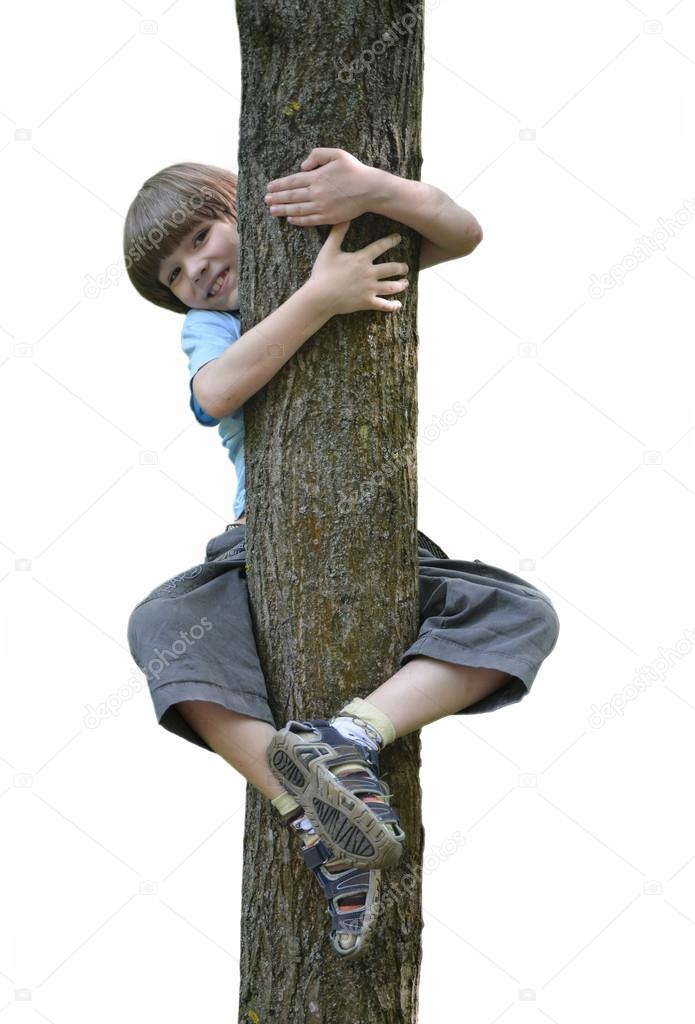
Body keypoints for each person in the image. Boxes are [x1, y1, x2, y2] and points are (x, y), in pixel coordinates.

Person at [123, 148, 561, 960]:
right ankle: (312, 812)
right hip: (255, 543)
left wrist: (376, 191)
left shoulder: (351, 245)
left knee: (519, 612)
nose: (194, 269)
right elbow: (214, 392)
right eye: (173, 272)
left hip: (381, 534)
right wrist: (320, 299)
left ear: (241, 205)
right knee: (160, 625)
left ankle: (349, 739)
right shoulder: (211, 327)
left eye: (197, 235)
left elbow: (460, 233)